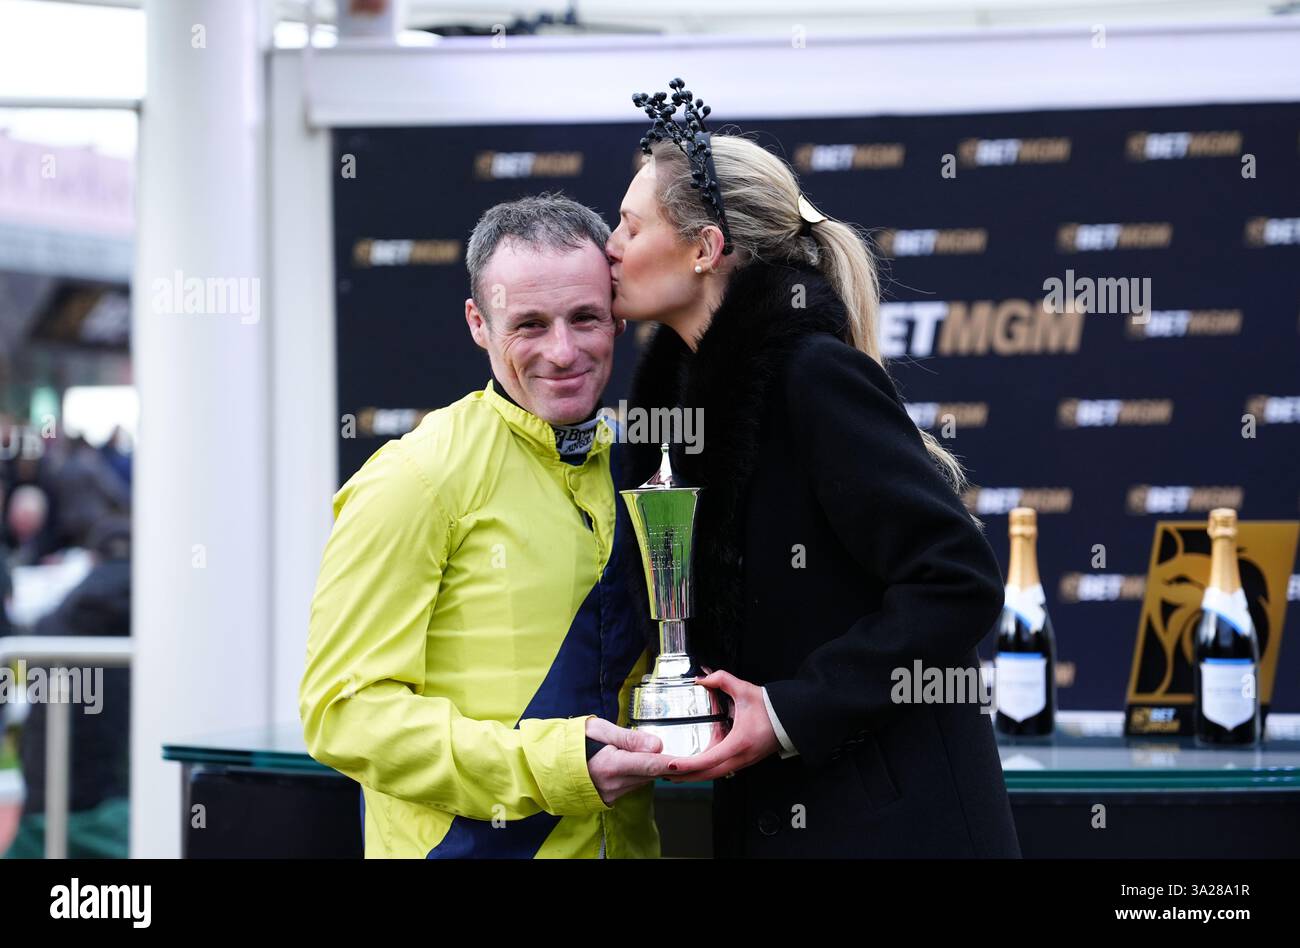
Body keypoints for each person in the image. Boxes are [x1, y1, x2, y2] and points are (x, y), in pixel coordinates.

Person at [605, 79, 1021, 858]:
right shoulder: (678, 413)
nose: (611, 247)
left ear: (704, 248)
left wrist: (792, 711)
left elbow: (956, 579)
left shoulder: (810, 376)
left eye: (629, 225)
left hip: (893, 828)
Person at [300, 193, 668, 858]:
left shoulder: (640, 470)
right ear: (479, 323)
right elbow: (343, 715)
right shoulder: (415, 477)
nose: (563, 351)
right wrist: (553, 765)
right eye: (529, 324)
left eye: (585, 317)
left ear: (616, 318)